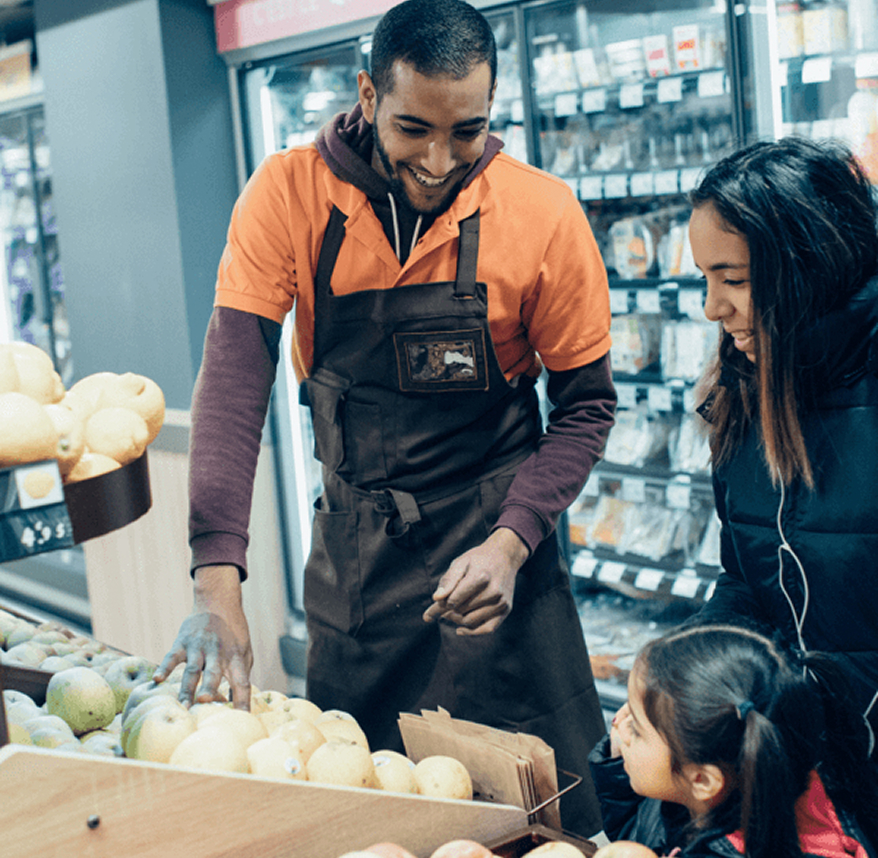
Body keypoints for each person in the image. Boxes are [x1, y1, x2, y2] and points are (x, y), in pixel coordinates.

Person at [155, 0, 616, 835]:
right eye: (414, 129)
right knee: (363, 815)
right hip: (360, 567)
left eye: (468, 132)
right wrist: (215, 581)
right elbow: (233, 383)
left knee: (542, 821)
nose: (441, 161)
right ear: (367, 95)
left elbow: (586, 408)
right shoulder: (288, 194)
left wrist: (511, 544)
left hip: (501, 562)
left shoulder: (543, 214)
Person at [684, 136, 878, 755]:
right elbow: (745, 579)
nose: (714, 307)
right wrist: (679, 675)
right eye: (706, 279)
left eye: (733, 279)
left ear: (806, 266)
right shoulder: (744, 392)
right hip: (810, 777)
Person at [588, 624, 878, 858]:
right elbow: (644, 836)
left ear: (702, 780)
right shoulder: (743, 792)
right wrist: (618, 771)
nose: (618, 724)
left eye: (636, 728)